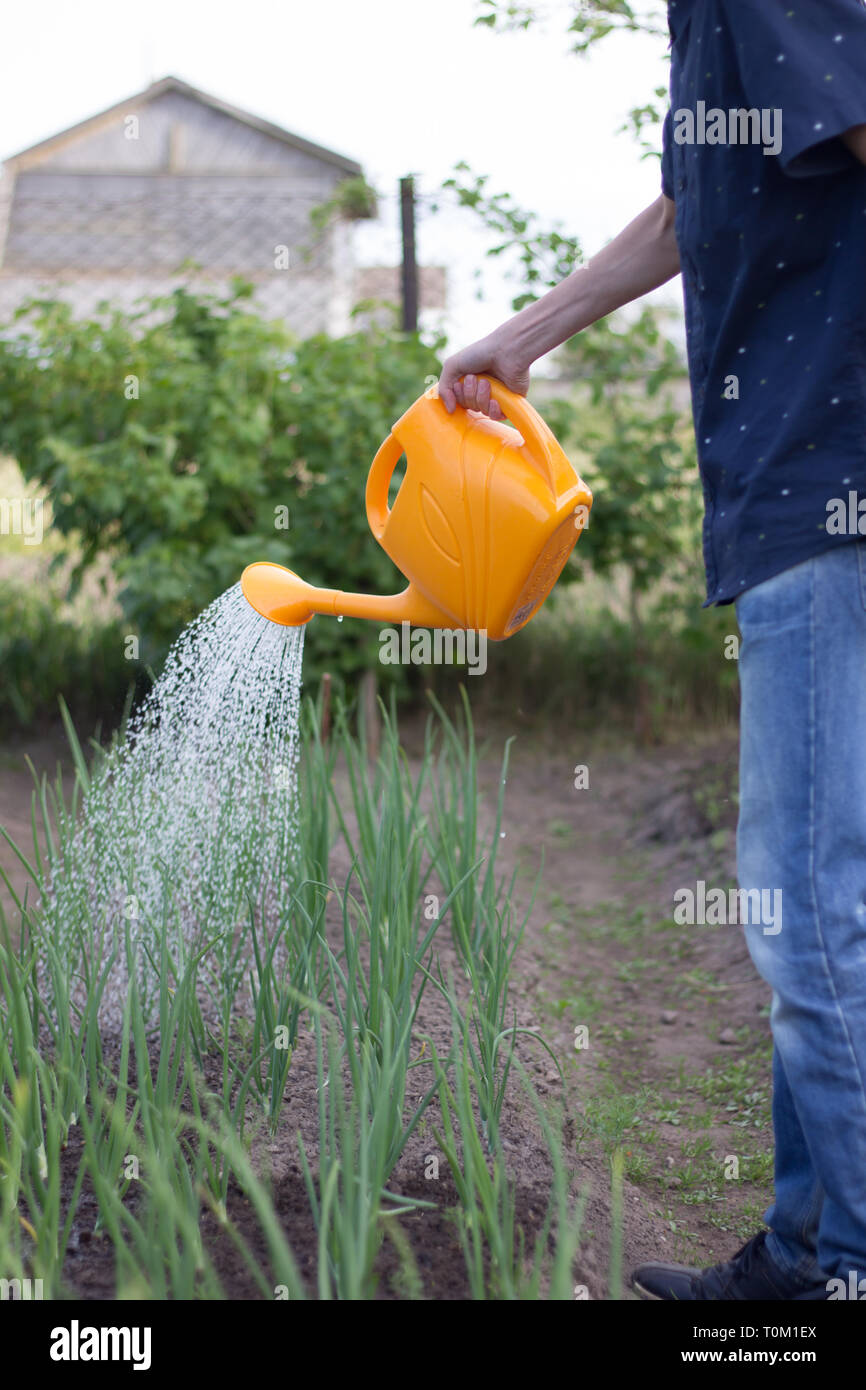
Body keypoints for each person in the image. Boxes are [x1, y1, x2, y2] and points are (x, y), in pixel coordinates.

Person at [438, 0, 866, 1302]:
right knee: (829, 894)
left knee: (804, 897)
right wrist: (526, 335)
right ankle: (807, 1246)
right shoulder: (712, 24)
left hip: (826, 479)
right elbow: (696, 205)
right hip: (793, 481)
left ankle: (845, 1261)